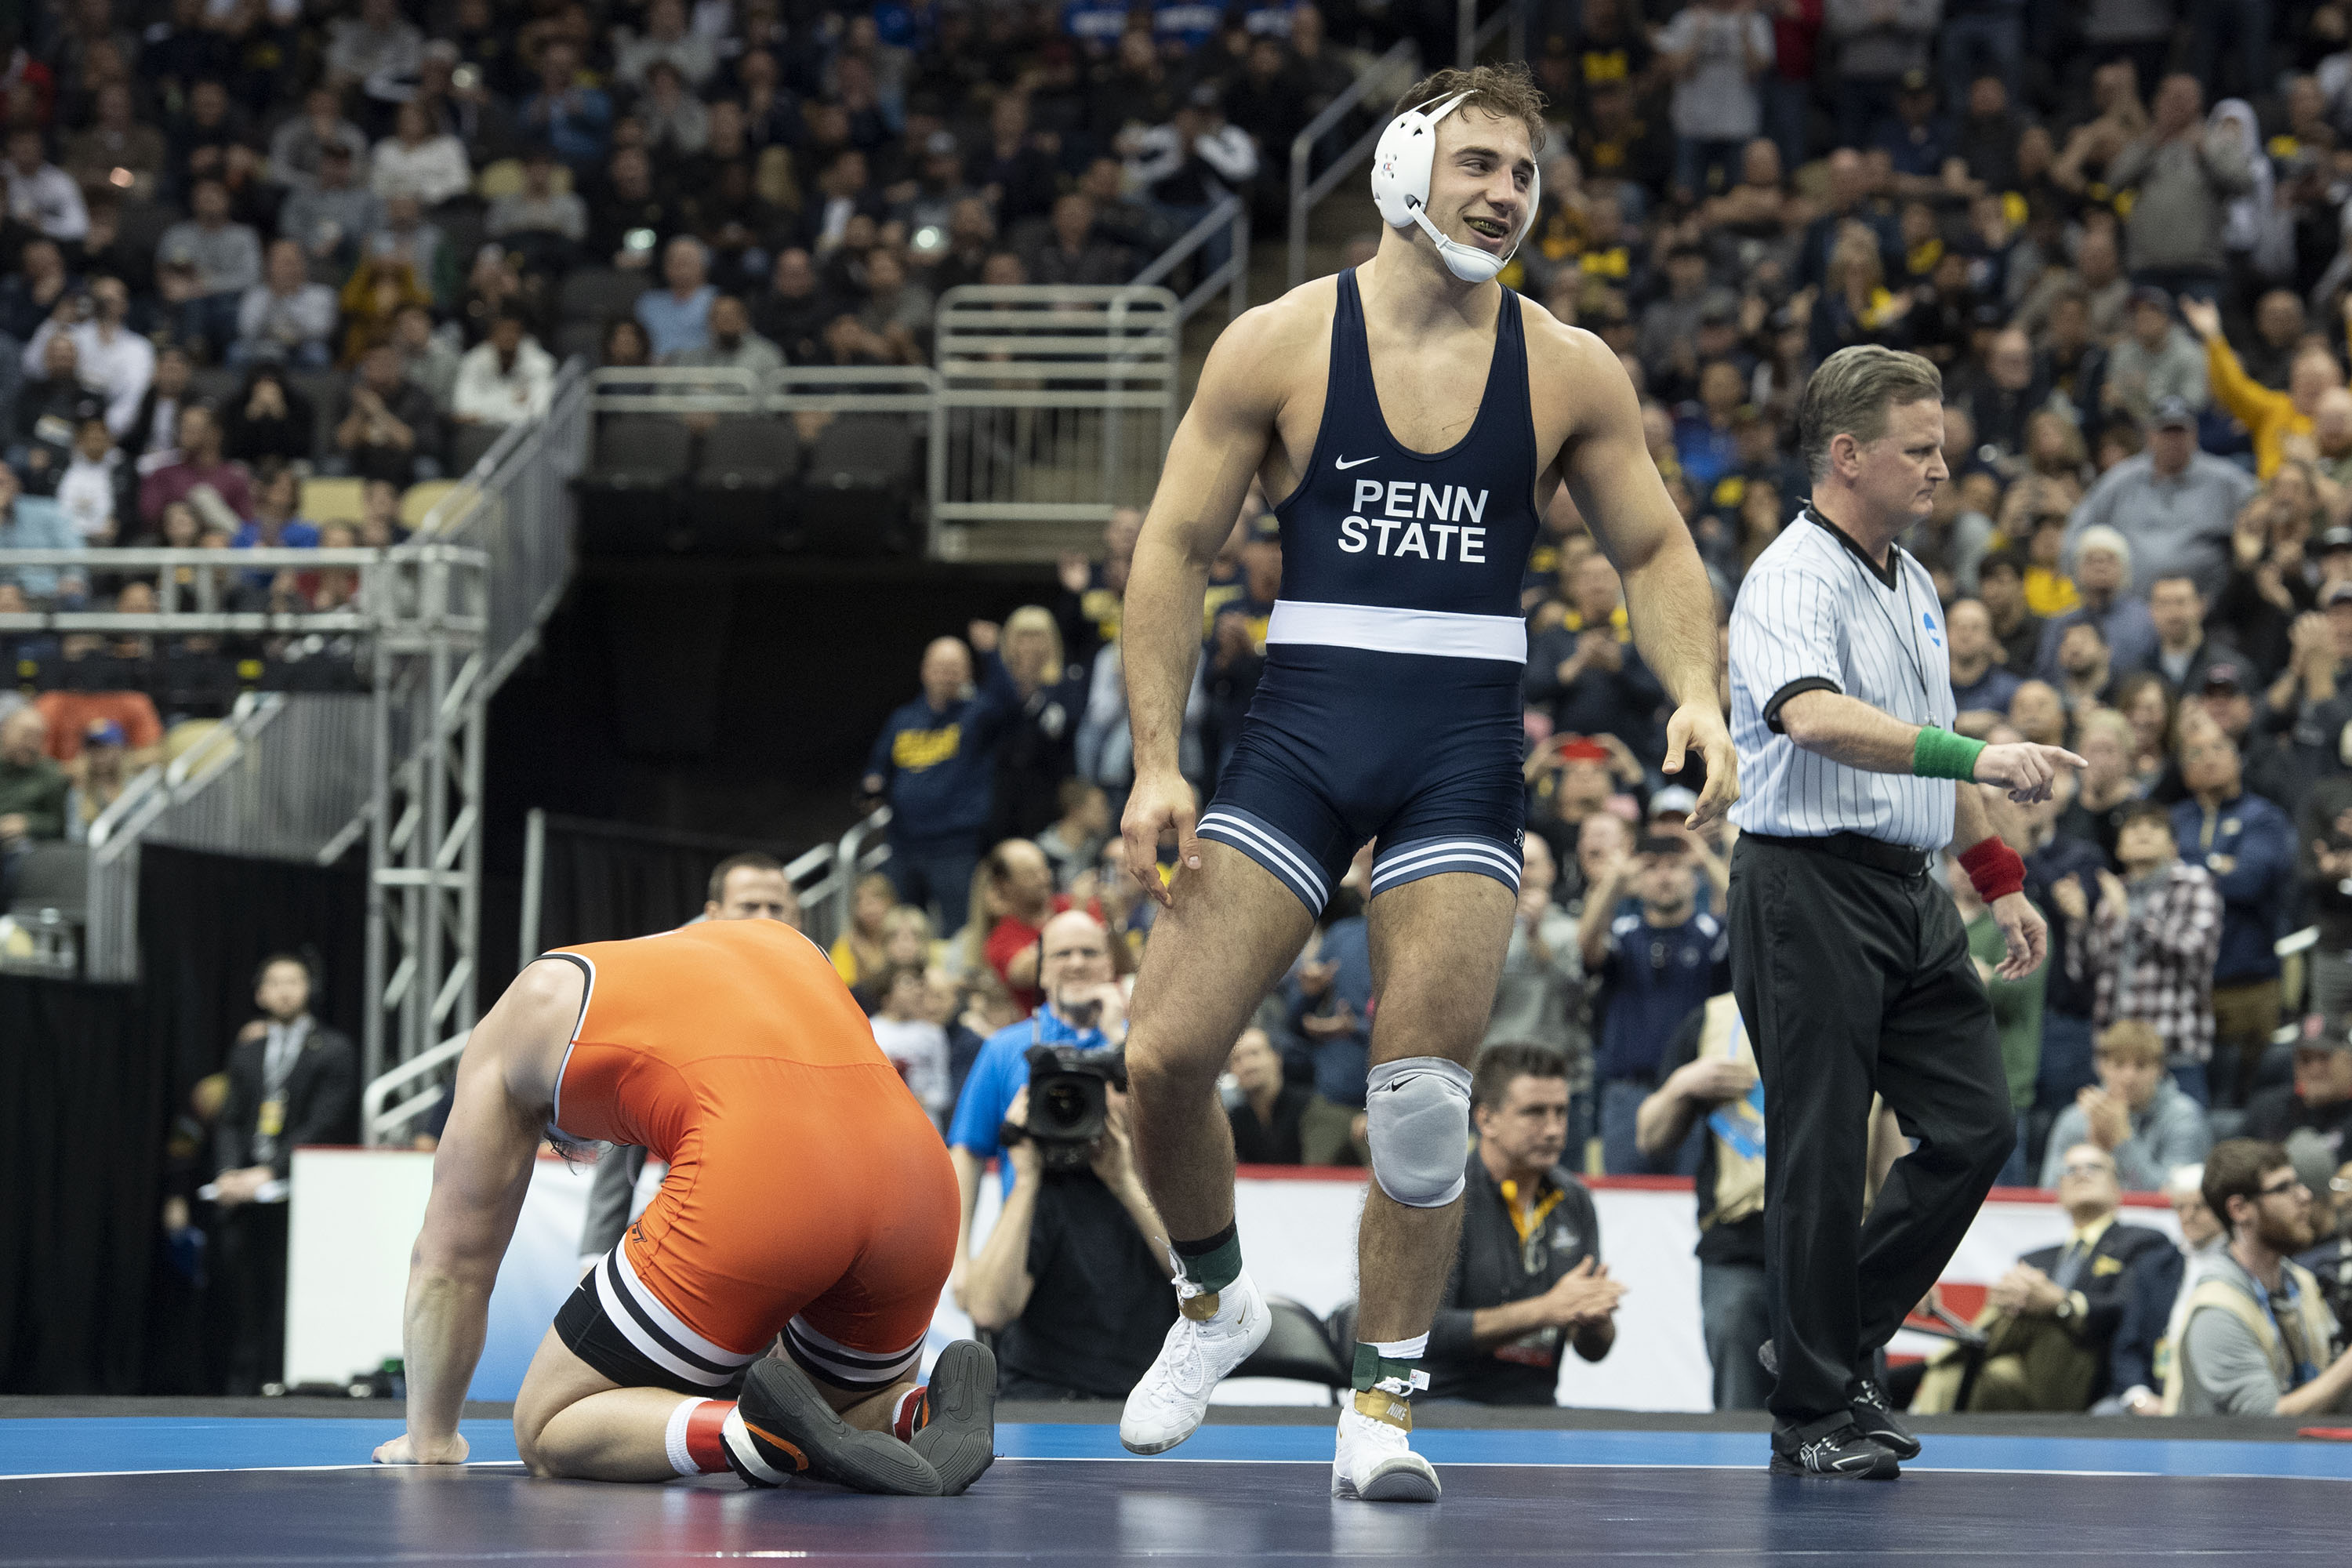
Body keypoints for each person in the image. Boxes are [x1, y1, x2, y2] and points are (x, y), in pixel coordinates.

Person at [1110, 65, 1734, 1500]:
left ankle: (1381, 1409)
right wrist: (1157, 763)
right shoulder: (1277, 344)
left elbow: (1649, 549)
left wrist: (1696, 691)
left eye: (1525, 172)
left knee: (1421, 1099)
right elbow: (1173, 549)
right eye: (1482, 164)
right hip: (1301, 735)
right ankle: (1218, 1304)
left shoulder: (1568, 365)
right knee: (1162, 1057)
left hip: (1460, 748)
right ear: (1405, 170)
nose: (1508, 193)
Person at [1725, 343, 2082, 1478]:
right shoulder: (1789, 576)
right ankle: (1814, 1413)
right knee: (1821, 1156)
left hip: (1910, 890)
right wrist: (1982, 749)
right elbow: (1816, 719)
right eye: (1918, 450)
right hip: (1805, 886)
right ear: (1847, 455)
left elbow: (1929, 761)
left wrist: (2000, 880)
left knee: (1978, 1124)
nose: (1942, 469)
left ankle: (1822, 1347)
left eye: (1942, 447)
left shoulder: (1914, 579)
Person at [368, 919, 996, 1495]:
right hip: (919, 1174)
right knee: (835, 1412)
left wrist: (431, 1439)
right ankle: (915, 1412)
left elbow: (452, 1261)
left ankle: (751, 1434)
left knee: (550, 1423)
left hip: (762, 1167)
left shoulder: (524, 1012)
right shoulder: (789, 944)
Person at [959, 1046, 1178, 1402]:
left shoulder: (1173, 1188)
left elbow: (1206, 1287)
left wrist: (1124, 1184)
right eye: (1113, 1089)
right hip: (1042, 1396)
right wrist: (1027, 1179)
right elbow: (987, 1311)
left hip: (1149, 1399)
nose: (1125, 1103)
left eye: (1131, 1089)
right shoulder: (1048, 1191)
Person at [1421, 1044, 1618, 1404]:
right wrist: (1546, 1310)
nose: (1554, 1129)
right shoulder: (1443, 1197)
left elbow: (1593, 1351)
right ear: (1486, 1120)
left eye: (1561, 1112)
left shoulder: (1575, 1200)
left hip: (1536, 1409)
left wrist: (1594, 1321)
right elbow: (1426, 1332)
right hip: (1444, 1405)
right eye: (1535, 1113)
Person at [946, 909, 1127, 1293]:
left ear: (1110, 965)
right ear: (1042, 971)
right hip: (1026, 1253)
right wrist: (958, 1259)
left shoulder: (1141, 1049)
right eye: (1063, 954)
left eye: (1089, 953)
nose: (1077, 963)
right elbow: (968, 1151)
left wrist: (1118, 1038)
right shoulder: (1004, 1048)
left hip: (1128, 1247)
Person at [1915, 1142, 2171, 1411]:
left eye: (2094, 1168)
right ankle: (1951, 1363)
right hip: (2025, 1369)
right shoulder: (2035, 1259)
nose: (2082, 1174)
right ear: (2059, 1191)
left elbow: (2130, 1309)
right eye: (2071, 1170)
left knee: (2025, 1301)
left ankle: (1952, 1351)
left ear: (2118, 1188)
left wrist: (2061, 1303)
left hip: (2086, 1369)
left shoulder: (2143, 1242)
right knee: (1959, 1376)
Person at [210, 954, 358, 1395]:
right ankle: (239, 1384)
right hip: (244, 1192)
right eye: (275, 983)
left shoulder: (333, 1048)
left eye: (294, 981)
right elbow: (231, 1118)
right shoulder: (248, 1049)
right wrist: (230, 1172)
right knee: (241, 1291)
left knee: (283, 1289)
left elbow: (325, 1121)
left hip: (298, 1190)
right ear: (260, 994)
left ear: (308, 989)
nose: (285, 991)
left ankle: (277, 1382)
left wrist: (267, 1171)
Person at [1637, 992, 1769, 1410]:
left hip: (1843, 1248)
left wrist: (1904, 1252)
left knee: (1852, 1397)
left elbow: (1890, 1125)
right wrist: (1683, 1085)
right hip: (1740, 1245)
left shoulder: (1865, 1004)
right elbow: (1649, 1139)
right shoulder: (1712, 1019)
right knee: (1740, 1401)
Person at [1579, 833, 1730, 1174]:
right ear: (1638, 881)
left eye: (1676, 867)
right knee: (1624, 1206)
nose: (1664, 876)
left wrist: (1706, 858)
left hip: (1698, 1093)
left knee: (1693, 1206)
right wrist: (1616, 880)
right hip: (1628, 1093)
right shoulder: (1623, 933)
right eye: (1653, 868)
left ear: (1694, 880)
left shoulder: (1710, 932)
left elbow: (1743, 912)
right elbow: (1586, 947)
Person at [2168, 1139, 2352, 1415]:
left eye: (2297, 1183)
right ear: (2239, 1210)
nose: (2304, 1196)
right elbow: (2266, 1424)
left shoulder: (2300, 1282)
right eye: (2283, 1188)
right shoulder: (2217, 1309)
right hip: (2228, 1456)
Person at [2172, 722, 2295, 1107]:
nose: (2208, 759)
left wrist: (2186, 867)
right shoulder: (2174, 819)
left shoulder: (2264, 817)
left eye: (2218, 748)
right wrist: (2216, 864)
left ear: (2238, 759)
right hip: (2185, 990)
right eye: (2195, 753)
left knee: (2249, 1097)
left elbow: (2248, 881)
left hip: (2247, 983)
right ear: (2183, 771)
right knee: (2191, 1099)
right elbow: (2156, 881)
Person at [861, 636, 1014, 936]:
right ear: (924, 671)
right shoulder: (903, 719)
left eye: (955, 667)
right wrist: (873, 781)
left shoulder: (977, 715)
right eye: (940, 667)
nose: (946, 674)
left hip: (954, 847)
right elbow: (879, 764)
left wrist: (992, 654)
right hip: (902, 844)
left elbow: (1009, 704)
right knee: (899, 931)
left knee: (961, 932)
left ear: (968, 673)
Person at [2074, 803, 2225, 1105]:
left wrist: (2129, 918)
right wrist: (2079, 921)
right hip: (2118, 1056)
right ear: (2119, 849)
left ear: (2174, 846)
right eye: (2132, 828)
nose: (2142, 832)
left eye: (2154, 827)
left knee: (2184, 1144)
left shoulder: (2194, 884)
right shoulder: (2113, 896)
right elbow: (2086, 970)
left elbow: (2195, 954)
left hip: (2174, 1050)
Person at [2105, 1162, 2227, 1417]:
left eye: (2199, 1206)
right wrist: (2139, 1397)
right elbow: (2127, 1345)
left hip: (2218, 1400)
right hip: (2154, 1396)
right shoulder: (2154, 1267)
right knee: (2105, 1414)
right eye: (2180, 1207)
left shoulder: (2241, 1264)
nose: (2188, 1216)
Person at [2039, 1021, 2213, 1191]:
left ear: (2159, 1069)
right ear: (2102, 1067)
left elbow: (2175, 1194)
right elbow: (2049, 1190)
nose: (2129, 1077)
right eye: (2119, 1064)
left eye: (2141, 1066)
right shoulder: (2076, 1118)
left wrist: (2122, 1141)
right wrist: (2095, 1147)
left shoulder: (2184, 1117)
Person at [2242, 1016, 2352, 1156]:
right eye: (2305, 1060)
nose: (2314, 1070)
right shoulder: (2267, 1109)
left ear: (2349, 1062)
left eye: (2325, 1058)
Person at [0, 707, 67, 904]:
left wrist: (28, 824)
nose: (31, 744)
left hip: (26, 850)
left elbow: (59, 826)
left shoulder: (50, 774)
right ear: (5, 732)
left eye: (38, 738)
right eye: (26, 735)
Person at [450, 310, 555, 428]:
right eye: (502, 331)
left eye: (513, 331)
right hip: (480, 435)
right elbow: (463, 409)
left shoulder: (540, 364)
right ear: (491, 337)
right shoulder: (473, 361)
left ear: (522, 336)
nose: (508, 337)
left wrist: (481, 414)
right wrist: (511, 399)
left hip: (524, 437)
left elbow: (538, 414)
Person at [1225, 1026, 1308, 1165]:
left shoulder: (1309, 1106)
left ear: (1276, 1057)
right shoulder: (1234, 1121)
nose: (1247, 1065)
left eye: (1254, 1053)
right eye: (1237, 1059)